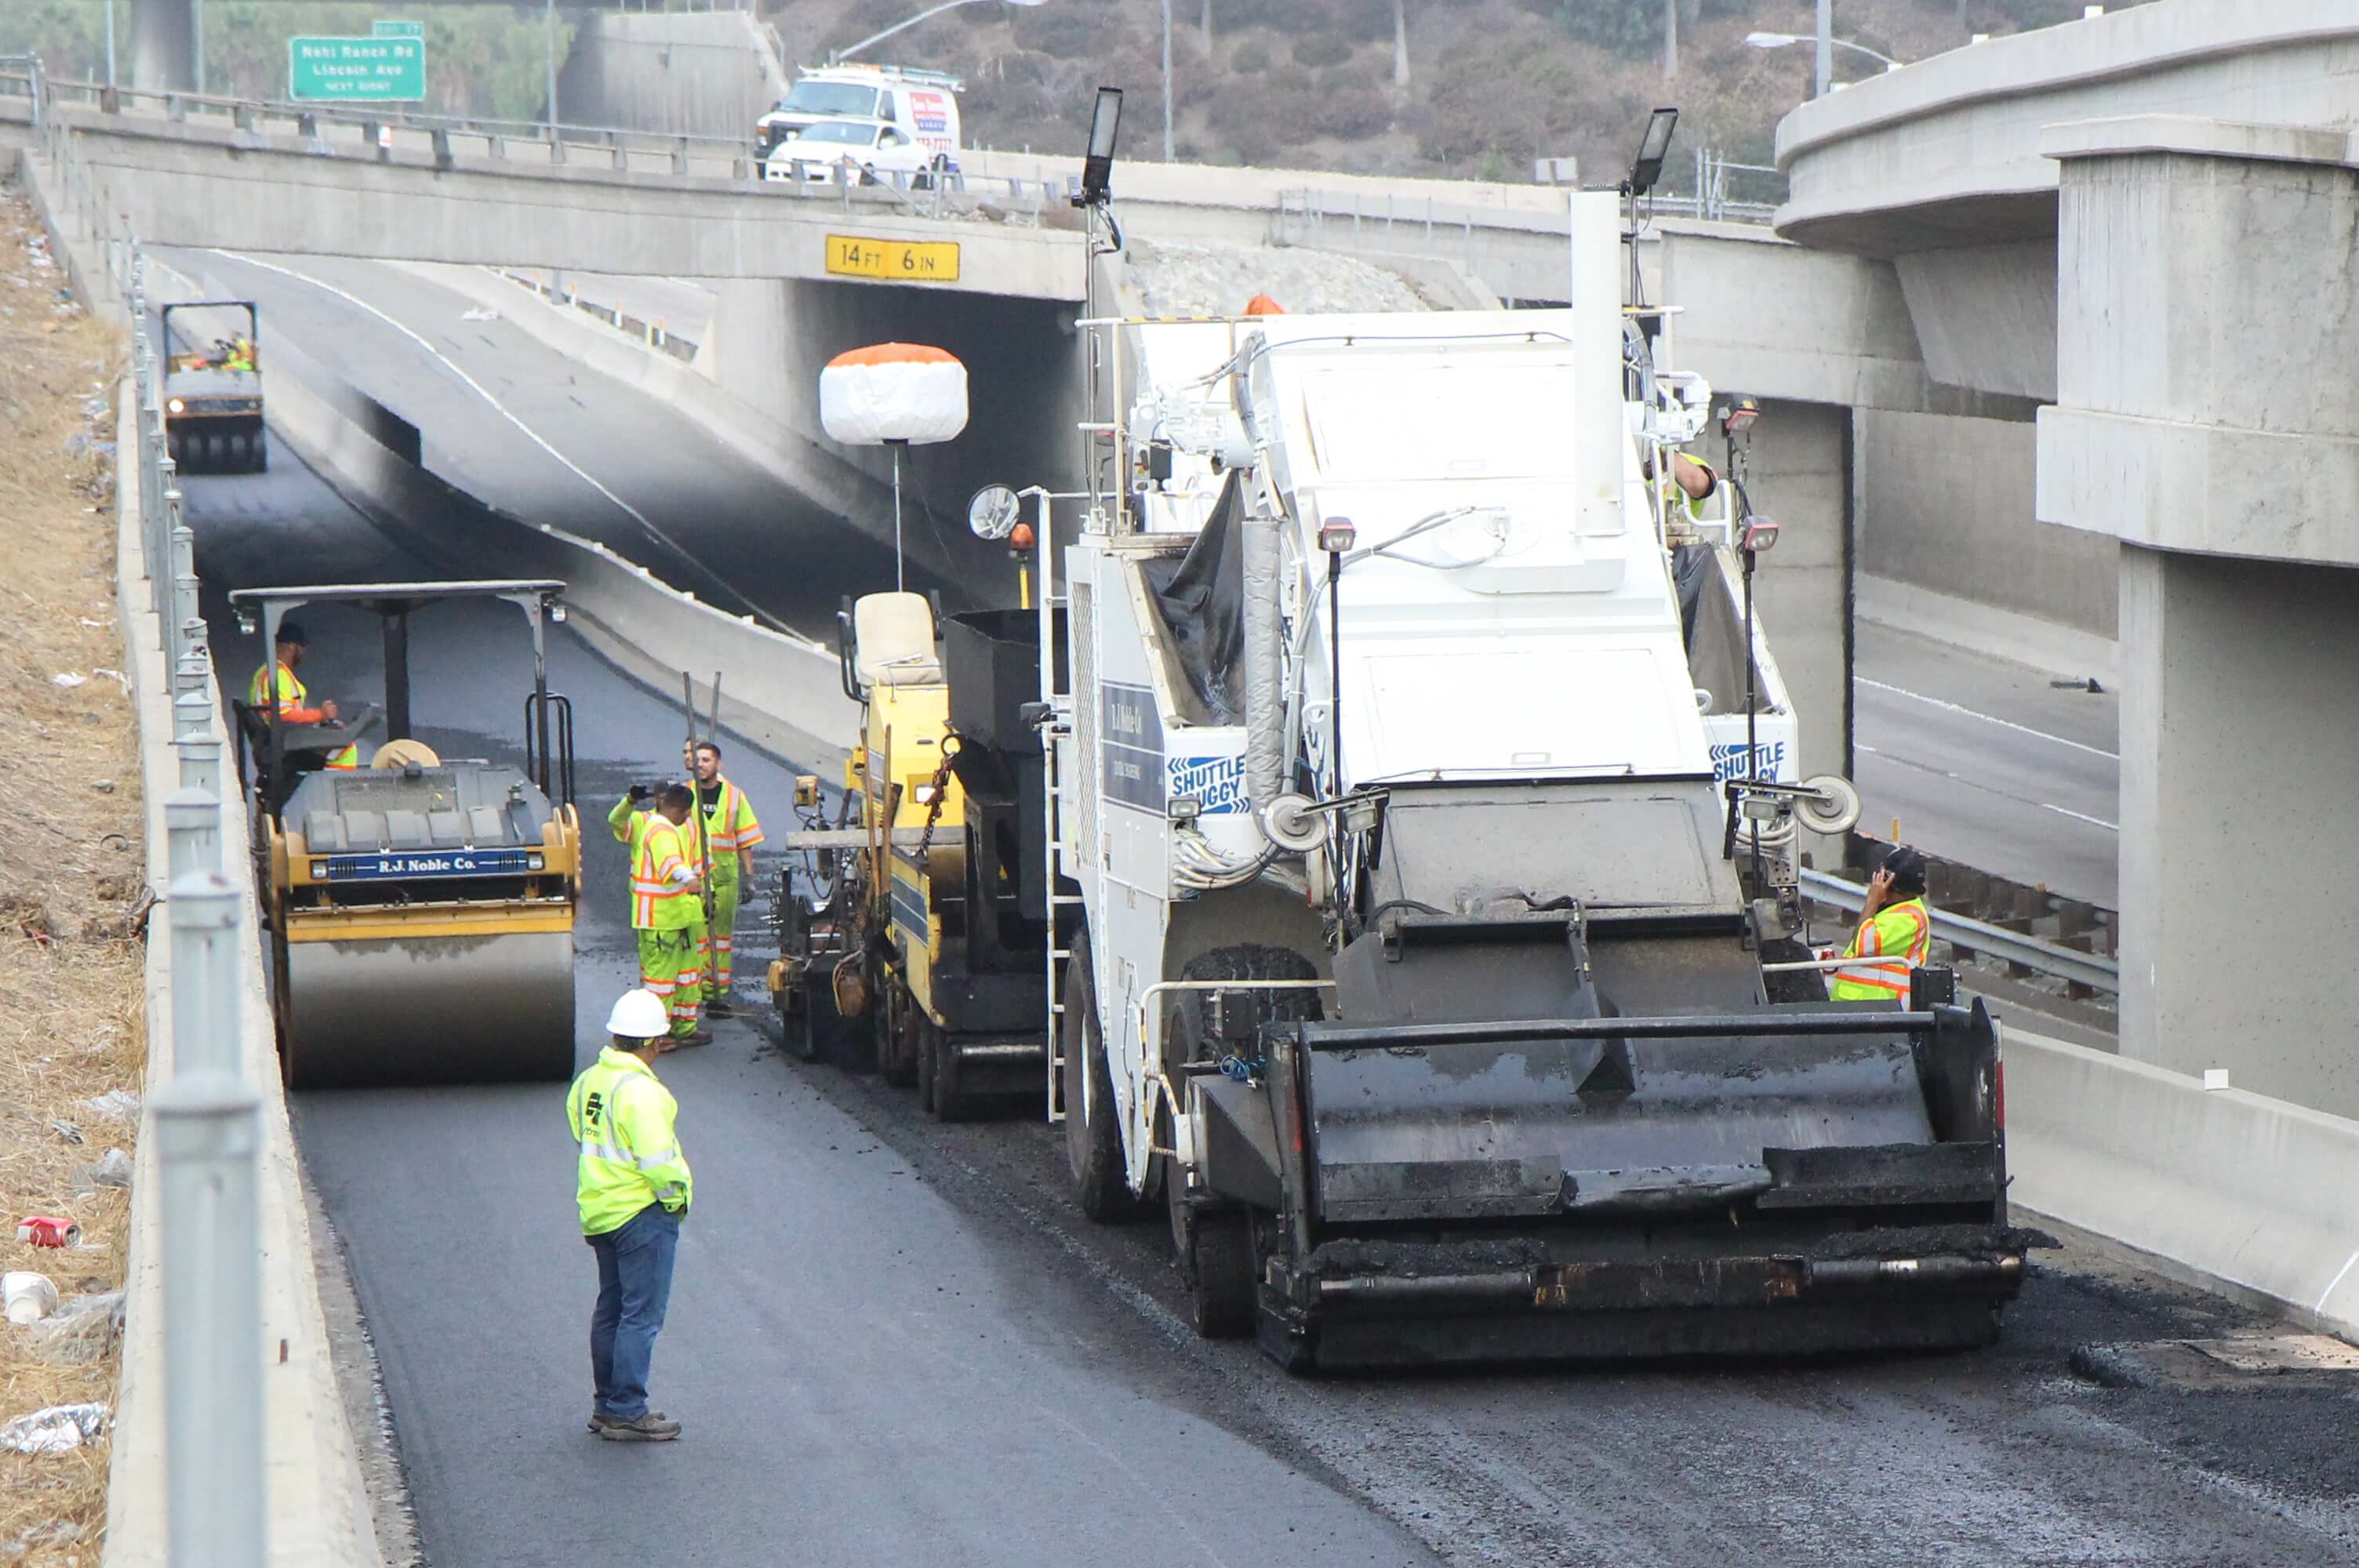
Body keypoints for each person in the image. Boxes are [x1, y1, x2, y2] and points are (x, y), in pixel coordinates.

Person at [567, 988, 692, 1443]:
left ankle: (606, 1406)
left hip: (599, 1212)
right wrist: (675, 1201)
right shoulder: (643, 1092)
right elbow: (660, 1163)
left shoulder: (591, 1081)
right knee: (641, 1315)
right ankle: (627, 1410)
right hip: (641, 1215)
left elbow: (579, 1129)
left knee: (612, 1309)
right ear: (655, 1042)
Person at [607, 783, 711, 1047]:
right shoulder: (658, 828)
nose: (688, 817)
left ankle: (684, 1026)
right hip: (660, 917)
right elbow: (672, 864)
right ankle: (654, 1036)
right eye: (686, 813)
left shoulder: (682, 827)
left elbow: (695, 861)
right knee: (661, 981)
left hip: (682, 915)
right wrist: (691, 880)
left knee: (687, 976)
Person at [680, 739, 765, 1019]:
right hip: (695, 880)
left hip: (725, 878)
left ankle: (717, 996)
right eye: (697, 759)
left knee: (721, 940)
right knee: (697, 937)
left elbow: (745, 840)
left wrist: (749, 877)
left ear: (719, 764)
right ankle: (695, 996)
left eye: (706, 760)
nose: (700, 764)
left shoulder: (734, 797)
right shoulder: (685, 796)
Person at [249, 620, 358, 770]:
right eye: (302, 648)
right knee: (345, 746)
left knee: (336, 735)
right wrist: (320, 714)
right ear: (291, 646)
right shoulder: (277, 675)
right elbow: (283, 715)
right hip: (284, 745)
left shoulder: (267, 671)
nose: (304, 652)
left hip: (282, 741)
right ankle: (330, 792)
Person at [1830, 845, 1933, 1003]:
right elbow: (1860, 950)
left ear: (1889, 881)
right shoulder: (1892, 910)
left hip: (1881, 1010)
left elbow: (1864, 947)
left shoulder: (1908, 919)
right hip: (1863, 1009)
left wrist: (1872, 901)